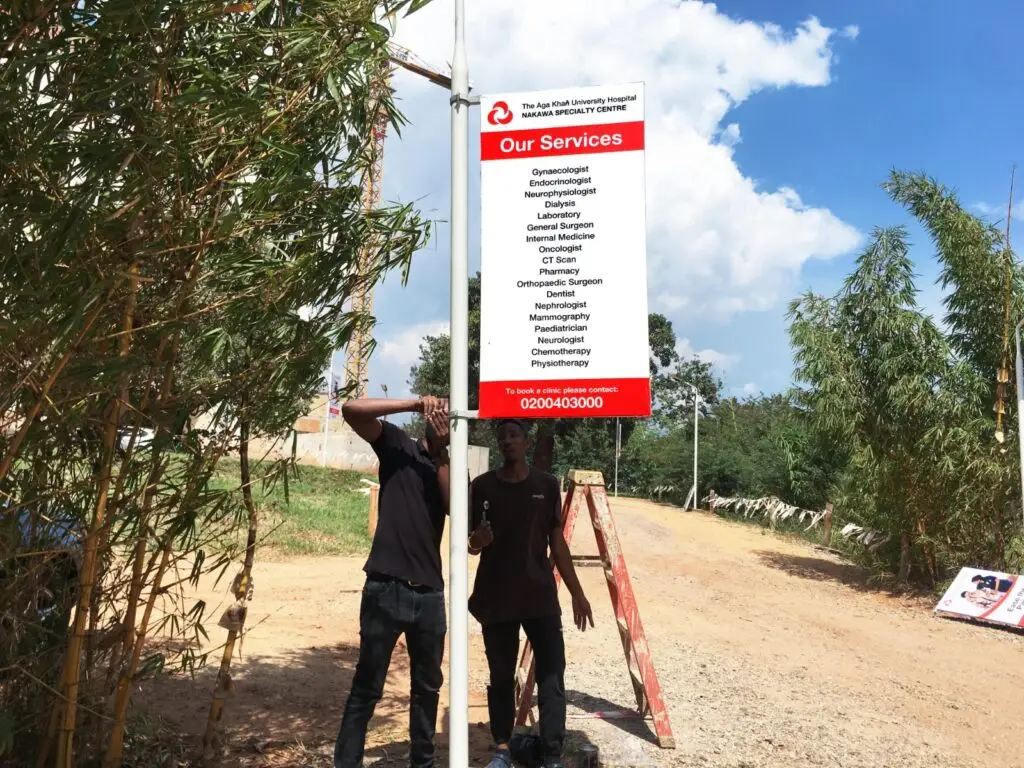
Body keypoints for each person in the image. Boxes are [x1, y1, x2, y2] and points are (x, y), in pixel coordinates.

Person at [468, 418, 594, 768]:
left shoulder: (547, 485)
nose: (507, 441)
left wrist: (577, 593)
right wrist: (478, 541)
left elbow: (557, 542)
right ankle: (503, 749)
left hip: (540, 598)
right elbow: (472, 544)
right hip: (497, 598)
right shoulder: (481, 487)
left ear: (525, 442)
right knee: (500, 675)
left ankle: (552, 754)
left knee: (552, 676)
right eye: (502, 437)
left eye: (514, 436)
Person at [333, 396, 451, 768]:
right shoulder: (398, 444)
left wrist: (443, 453)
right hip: (385, 588)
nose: (440, 417)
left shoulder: (449, 467)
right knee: (367, 688)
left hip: (430, 596)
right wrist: (415, 404)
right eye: (437, 410)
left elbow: (456, 511)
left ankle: (422, 762)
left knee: (427, 690)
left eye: (446, 413)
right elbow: (351, 410)